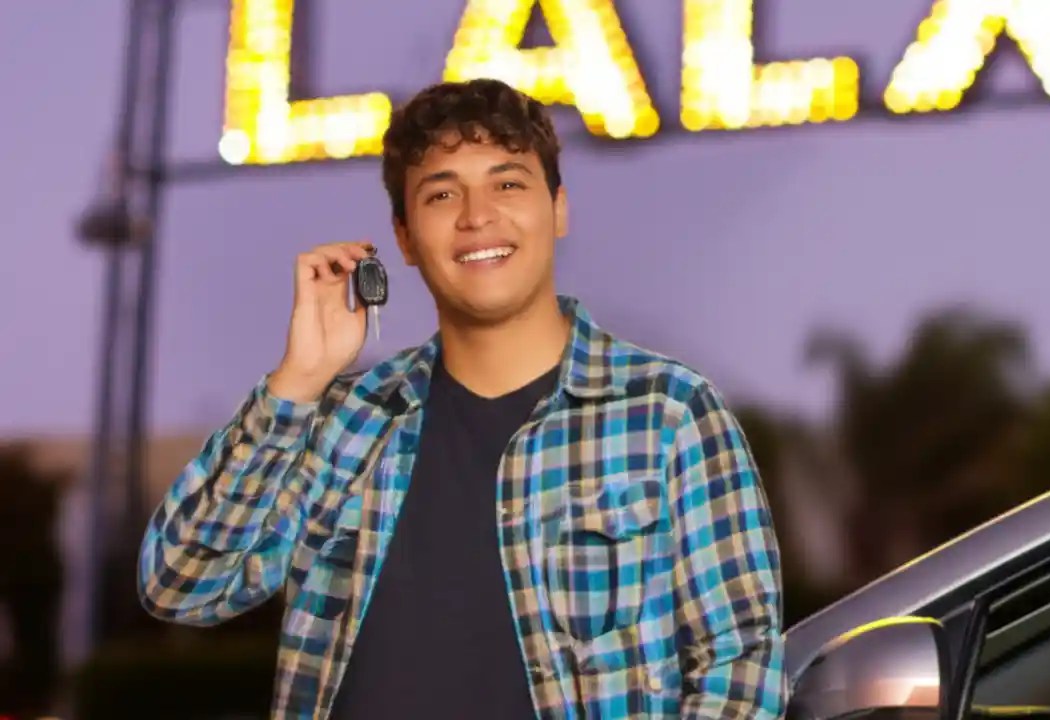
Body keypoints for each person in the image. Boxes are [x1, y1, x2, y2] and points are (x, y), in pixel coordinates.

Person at [138, 77, 786, 719]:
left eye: (507, 183)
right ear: (404, 238)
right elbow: (182, 585)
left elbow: (739, 664)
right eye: (442, 193)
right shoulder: (346, 422)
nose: (477, 216)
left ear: (558, 208)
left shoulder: (670, 414)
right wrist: (297, 381)